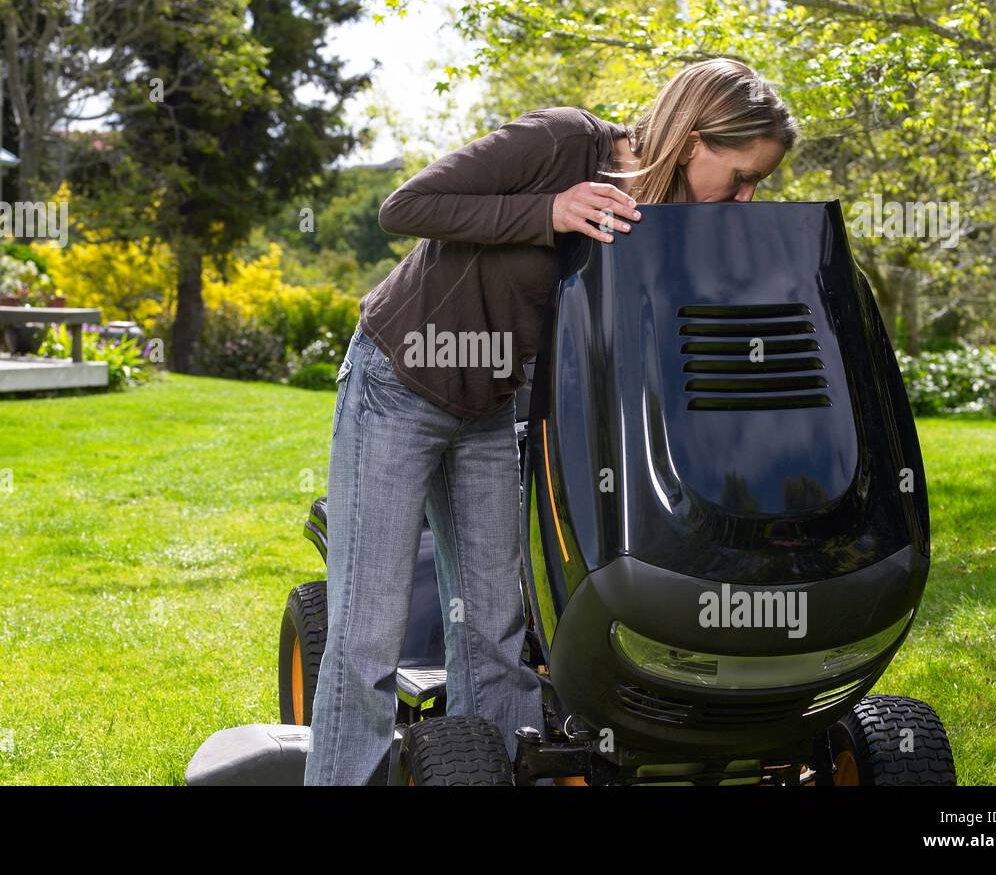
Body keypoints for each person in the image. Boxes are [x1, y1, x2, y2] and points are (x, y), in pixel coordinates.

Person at [303, 56, 800, 785]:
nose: (747, 198)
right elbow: (405, 206)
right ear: (695, 141)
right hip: (400, 382)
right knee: (365, 635)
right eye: (743, 176)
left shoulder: (659, 223)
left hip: (490, 407)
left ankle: (490, 773)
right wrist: (548, 211)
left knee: (495, 634)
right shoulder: (566, 141)